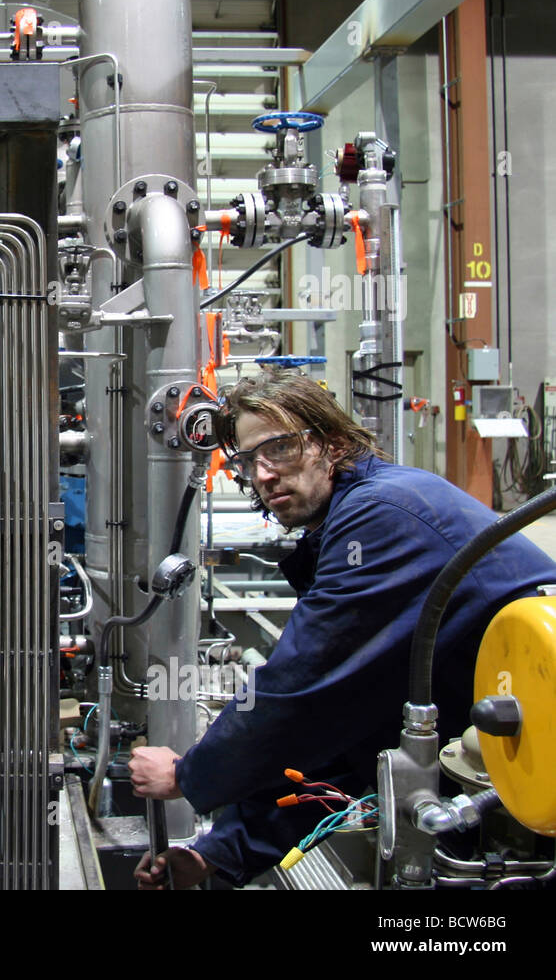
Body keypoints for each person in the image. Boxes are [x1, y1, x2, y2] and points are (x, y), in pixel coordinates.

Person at [127, 368, 556, 889]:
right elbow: (346, 724)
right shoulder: (349, 519)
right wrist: (216, 855)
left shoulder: (380, 515)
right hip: (506, 763)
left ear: (330, 442)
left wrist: (188, 775)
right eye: (245, 461)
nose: (262, 474)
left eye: (279, 448)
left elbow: (300, 688)